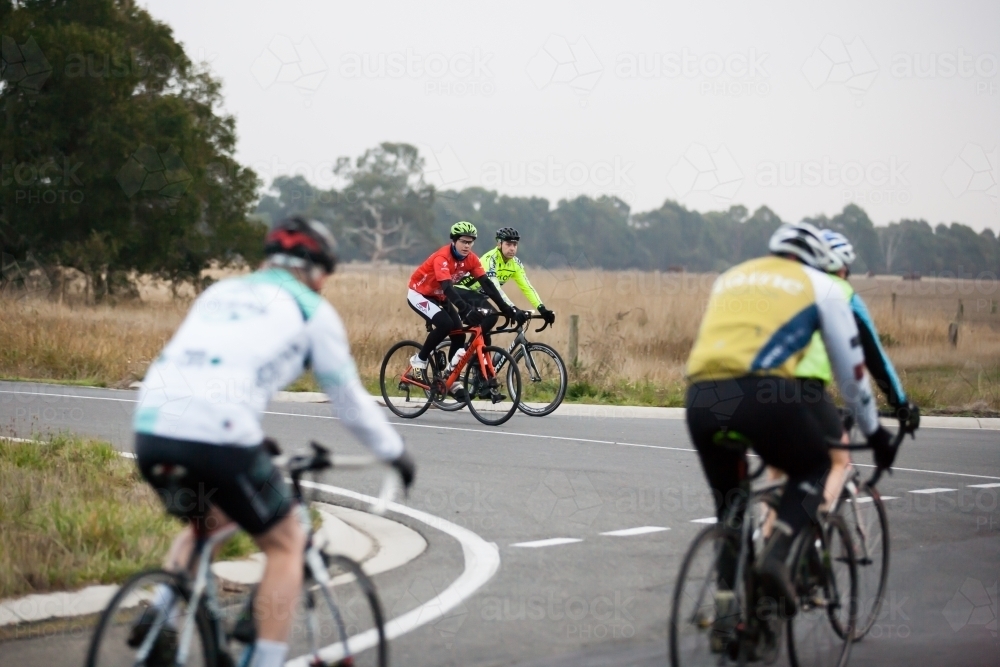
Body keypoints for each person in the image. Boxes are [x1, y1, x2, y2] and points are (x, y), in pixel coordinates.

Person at [132, 216, 415, 667]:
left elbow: (208, 371)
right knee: (286, 543)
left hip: (151, 429)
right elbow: (348, 401)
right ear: (316, 270)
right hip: (219, 436)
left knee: (206, 525)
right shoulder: (311, 309)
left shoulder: (221, 291)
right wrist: (394, 453)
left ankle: (162, 612)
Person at [684, 221, 897, 621]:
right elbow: (851, 372)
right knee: (818, 464)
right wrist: (874, 431)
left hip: (701, 396)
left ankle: (727, 615)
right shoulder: (823, 286)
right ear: (819, 263)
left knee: (730, 505)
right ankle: (778, 554)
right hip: (765, 395)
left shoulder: (731, 277)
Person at [794, 229, 920, 507]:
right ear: (842, 267)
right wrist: (900, 403)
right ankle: (817, 525)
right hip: (806, 391)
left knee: (782, 470)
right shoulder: (844, 294)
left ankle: (768, 539)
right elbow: (874, 359)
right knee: (838, 461)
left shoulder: (796, 287)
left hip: (760, 387)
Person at [406, 221, 519, 395]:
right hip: (420, 294)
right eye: (463, 241)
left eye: (470, 242)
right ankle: (418, 362)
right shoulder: (442, 258)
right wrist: (465, 309)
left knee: (458, 333)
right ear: (454, 241)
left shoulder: (471, 259)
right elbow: (447, 287)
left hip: (439, 297)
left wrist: (506, 307)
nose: (467, 245)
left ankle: (451, 380)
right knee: (444, 324)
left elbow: (487, 284)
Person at [455, 226, 556, 346]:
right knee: (491, 317)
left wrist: (542, 309)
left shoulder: (515, 264)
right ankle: (466, 353)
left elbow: (527, 287)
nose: (512, 248)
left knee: (485, 334)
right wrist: (513, 308)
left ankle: (478, 362)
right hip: (463, 290)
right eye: (508, 244)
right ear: (499, 244)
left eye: (515, 244)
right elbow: (495, 287)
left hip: (480, 296)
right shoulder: (490, 260)